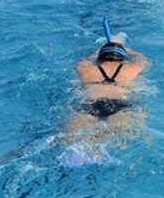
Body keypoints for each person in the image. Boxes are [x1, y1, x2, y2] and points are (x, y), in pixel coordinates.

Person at [63, 20, 151, 167]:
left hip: (88, 106)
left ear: (99, 57)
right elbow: (144, 60)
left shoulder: (84, 68)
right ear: (122, 58)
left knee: (73, 142)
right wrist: (128, 49)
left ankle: (83, 158)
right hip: (120, 105)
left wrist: (100, 48)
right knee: (120, 140)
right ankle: (103, 155)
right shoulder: (132, 69)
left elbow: (87, 59)